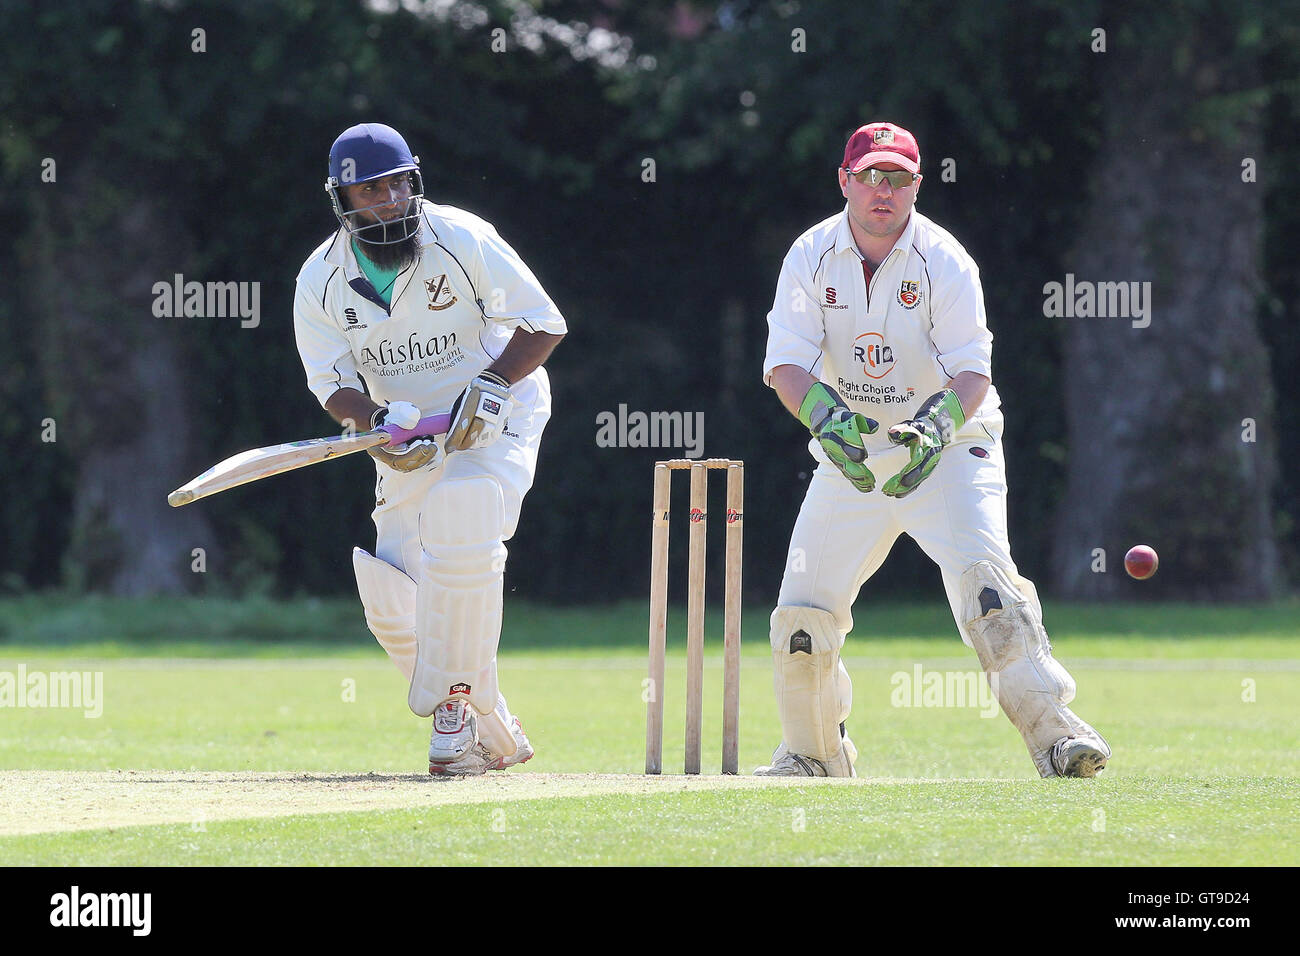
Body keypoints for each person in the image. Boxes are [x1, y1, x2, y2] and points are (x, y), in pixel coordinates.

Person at [755, 122, 1110, 779]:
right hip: (852, 458)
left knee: (988, 592)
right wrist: (825, 418)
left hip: (950, 451)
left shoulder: (943, 260)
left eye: (897, 178)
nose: (882, 190)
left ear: (917, 185)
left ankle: (1058, 739)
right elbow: (786, 363)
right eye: (870, 176)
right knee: (803, 617)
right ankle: (813, 754)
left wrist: (936, 426)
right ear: (844, 181)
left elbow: (973, 371)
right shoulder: (810, 255)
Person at [293, 123, 566, 775]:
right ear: (342, 199)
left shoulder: (462, 237)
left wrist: (492, 383)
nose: (388, 201)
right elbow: (331, 385)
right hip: (408, 429)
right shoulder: (321, 278)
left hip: (496, 412)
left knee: (462, 519)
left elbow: (543, 323)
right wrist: (378, 429)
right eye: (370, 191)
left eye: (397, 185)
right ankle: (492, 726)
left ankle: (453, 716)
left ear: (414, 182)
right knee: (390, 597)